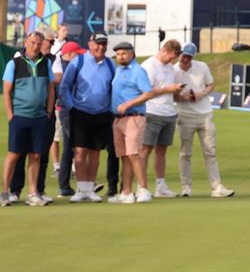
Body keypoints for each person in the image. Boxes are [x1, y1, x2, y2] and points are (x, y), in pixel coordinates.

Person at [109, 42, 181, 203]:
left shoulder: (138, 71)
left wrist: (129, 104)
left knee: (134, 154)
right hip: (118, 118)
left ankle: (143, 190)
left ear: (132, 54)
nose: (121, 57)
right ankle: (126, 192)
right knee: (125, 156)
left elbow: (148, 93)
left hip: (134, 116)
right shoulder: (118, 70)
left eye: (124, 53)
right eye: (118, 54)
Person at [59, 33, 116, 203]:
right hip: (80, 112)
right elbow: (64, 86)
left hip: (102, 113)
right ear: (90, 44)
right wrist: (71, 106)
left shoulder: (110, 64)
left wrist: (111, 109)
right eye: (97, 44)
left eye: (103, 44)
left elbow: (114, 89)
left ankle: (90, 189)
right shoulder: (79, 61)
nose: (101, 47)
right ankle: (81, 188)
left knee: (95, 152)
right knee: (80, 151)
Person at [174, 43, 235, 197]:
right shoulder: (173, 71)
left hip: (205, 115)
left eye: (189, 57)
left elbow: (211, 84)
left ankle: (217, 187)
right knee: (185, 153)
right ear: (179, 54)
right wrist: (182, 97)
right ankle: (186, 188)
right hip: (185, 116)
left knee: (210, 152)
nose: (185, 60)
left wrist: (202, 94)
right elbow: (171, 94)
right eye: (184, 56)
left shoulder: (202, 66)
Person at [1, 31, 54, 206]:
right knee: (14, 154)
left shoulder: (46, 63)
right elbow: (7, 91)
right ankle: (4, 193)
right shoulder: (14, 64)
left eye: (39, 43)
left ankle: (32, 193)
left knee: (36, 155)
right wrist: (11, 115)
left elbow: (51, 88)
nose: (36, 46)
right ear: (26, 42)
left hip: (39, 117)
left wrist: (48, 111)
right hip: (20, 116)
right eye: (32, 42)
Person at [141, 39, 184, 198]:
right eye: (171, 56)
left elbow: (168, 89)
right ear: (164, 49)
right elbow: (146, 91)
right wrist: (168, 89)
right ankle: (142, 186)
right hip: (152, 112)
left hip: (169, 113)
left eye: (175, 57)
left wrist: (176, 91)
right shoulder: (149, 65)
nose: (173, 60)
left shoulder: (171, 68)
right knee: (145, 150)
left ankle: (161, 186)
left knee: (162, 150)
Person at [53, 41, 86, 197]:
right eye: (77, 54)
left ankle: (64, 186)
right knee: (77, 146)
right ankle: (85, 184)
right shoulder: (66, 68)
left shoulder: (67, 67)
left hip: (68, 111)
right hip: (69, 111)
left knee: (68, 149)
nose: (80, 56)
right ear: (69, 54)